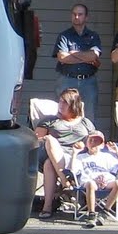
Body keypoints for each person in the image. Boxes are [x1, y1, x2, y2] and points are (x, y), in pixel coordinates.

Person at [35, 88, 94, 219]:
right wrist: (45, 139)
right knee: (50, 141)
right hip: (52, 152)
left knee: (49, 165)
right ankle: (65, 181)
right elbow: (36, 139)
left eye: (65, 102)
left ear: (74, 105)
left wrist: (85, 145)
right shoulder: (50, 120)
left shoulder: (85, 122)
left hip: (76, 158)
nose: (60, 105)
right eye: (60, 101)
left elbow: (94, 140)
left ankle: (47, 207)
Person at [53, 3, 102, 122]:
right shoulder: (64, 36)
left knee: (89, 116)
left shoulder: (93, 36)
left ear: (86, 17)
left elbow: (94, 55)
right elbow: (62, 57)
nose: (76, 17)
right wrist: (86, 57)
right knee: (63, 114)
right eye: (74, 14)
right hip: (67, 80)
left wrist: (73, 53)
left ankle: (88, 140)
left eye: (80, 14)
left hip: (88, 81)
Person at [69, 129, 118, 227]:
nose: (93, 143)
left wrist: (117, 153)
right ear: (86, 143)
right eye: (91, 140)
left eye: (97, 141)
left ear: (102, 145)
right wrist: (74, 153)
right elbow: (72, 170)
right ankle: (91, 214)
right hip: (89, 182)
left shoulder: (107, 156)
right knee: (90, 183)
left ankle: (104, 212)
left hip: (106, 181)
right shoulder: (81, 157)